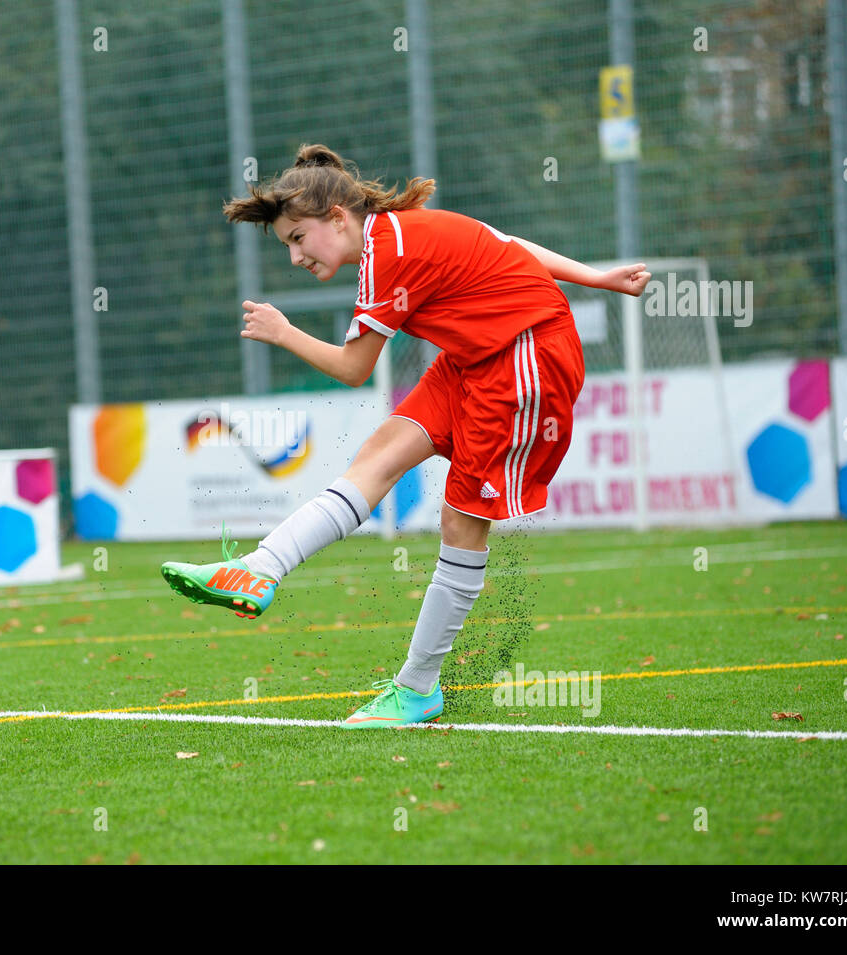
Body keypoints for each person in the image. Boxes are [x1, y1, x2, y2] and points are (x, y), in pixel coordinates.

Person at [161, 144, 650, 727]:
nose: (294, 256)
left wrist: (284, 332)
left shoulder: (388, 250)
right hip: (474, 358)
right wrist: (595, 276)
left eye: (297, 238)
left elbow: (353, 368)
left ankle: (417, 689)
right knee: (379, 456)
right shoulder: (397, 232)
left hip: (526, 355)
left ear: (336, 218)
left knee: (461, 523)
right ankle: (260, 568)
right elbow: (508, 244)